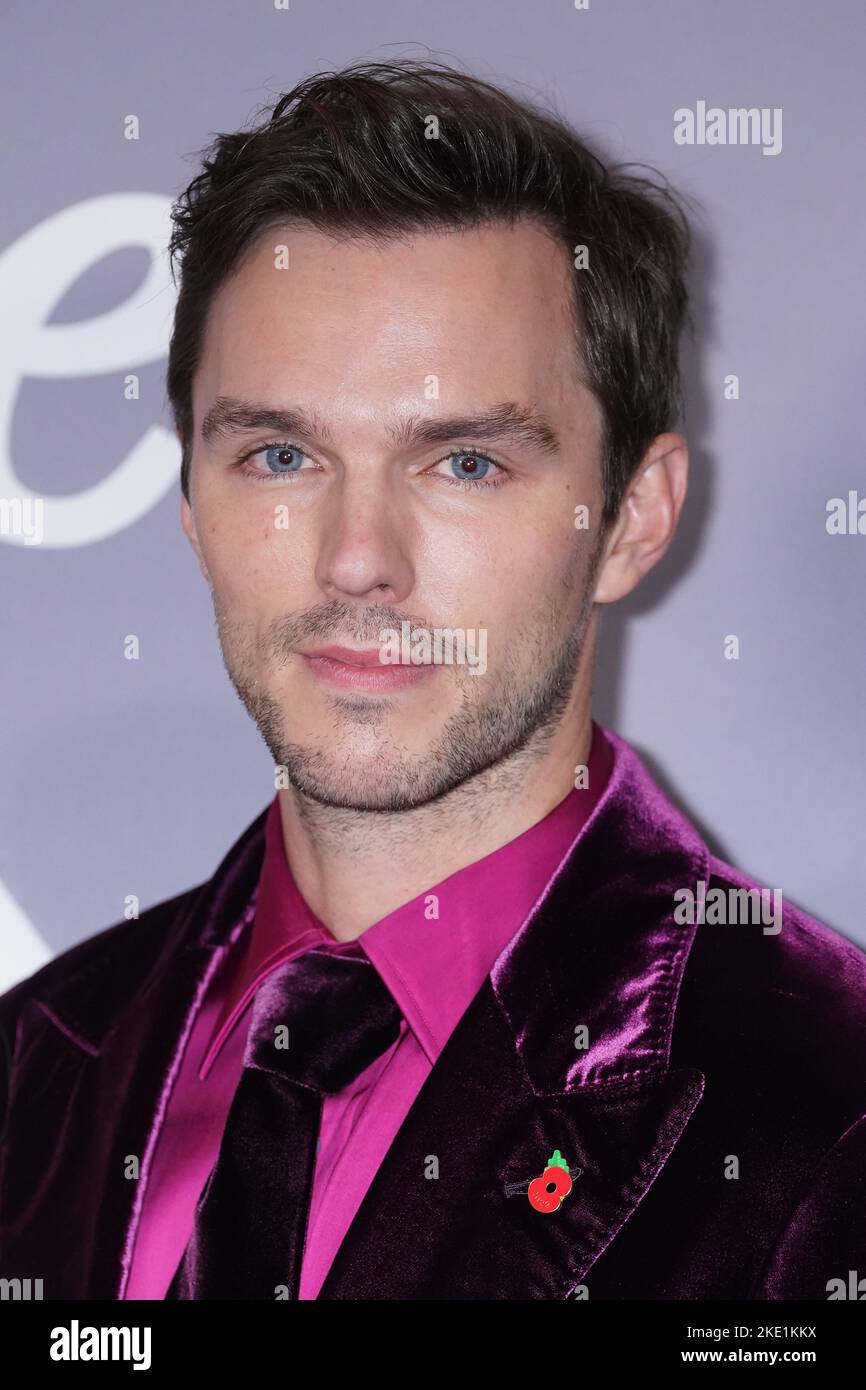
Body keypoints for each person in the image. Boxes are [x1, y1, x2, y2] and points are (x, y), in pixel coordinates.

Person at [1, 59, 864, 1302]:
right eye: (280, 453)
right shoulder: (36, 1064)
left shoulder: (822, 1112)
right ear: (191, 501)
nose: (358, 560)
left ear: (628, 515)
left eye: (461, 463)